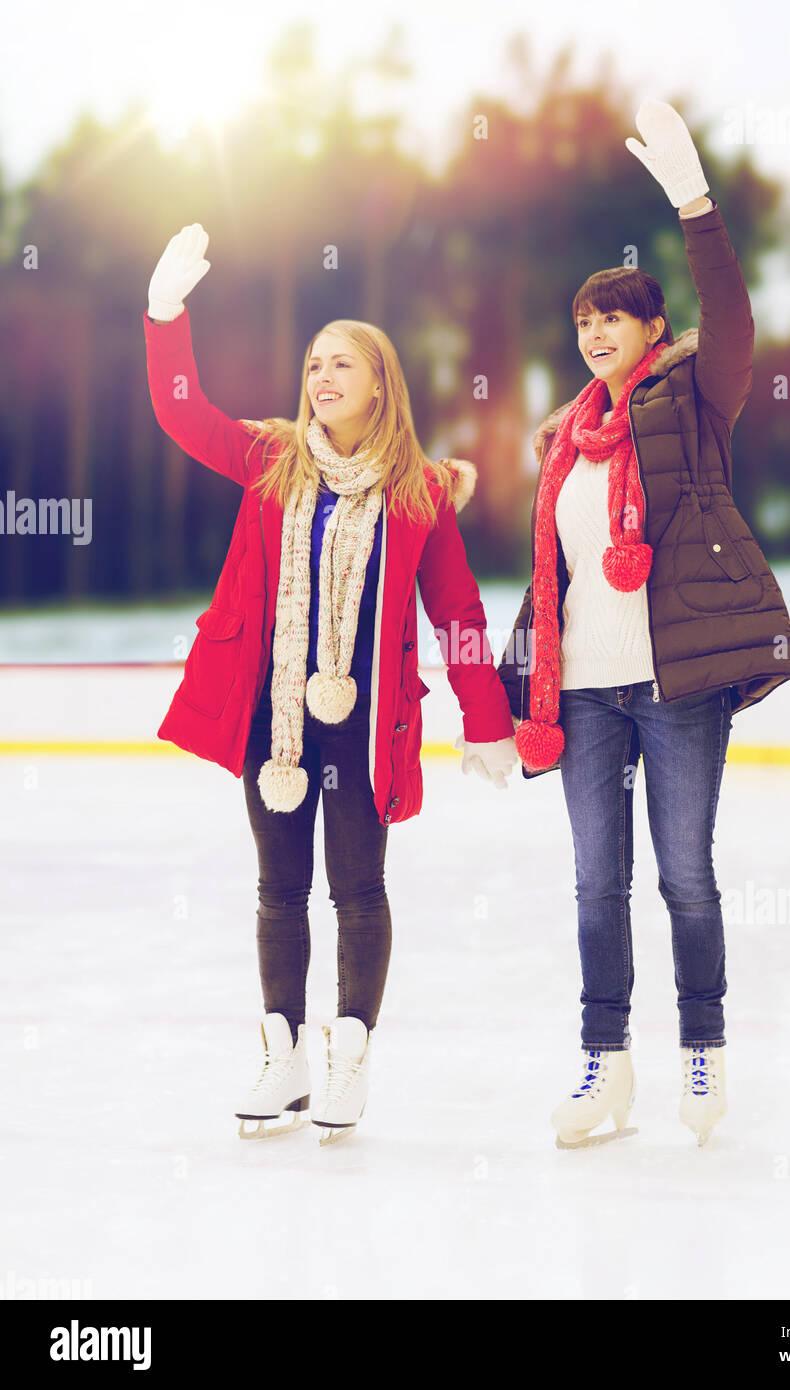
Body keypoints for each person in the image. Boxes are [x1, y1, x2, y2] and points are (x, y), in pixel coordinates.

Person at [144, 225, 518, 1143]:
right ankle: (284, 1057)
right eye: (314, 364)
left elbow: (459, 613)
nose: (321, 378)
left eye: (341, 364)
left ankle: (349, 1057)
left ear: (380, 382)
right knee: (279, 891)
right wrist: (164, 318)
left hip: (361, 727)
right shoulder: (273, 460)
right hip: (272, 721)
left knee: (357, 889)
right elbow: (185, 416)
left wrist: (487, 720)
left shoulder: (420, 492)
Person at [498, 101, 790, 1149]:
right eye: (582, 322)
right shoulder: (565, 440)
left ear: (653, 328)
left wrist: (692, 202)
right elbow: (553, 580)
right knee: (596, 883)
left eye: (612, 318)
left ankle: (702, 1044)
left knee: (683, 874)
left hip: (678, 688)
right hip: (583, 689)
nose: (593, 334)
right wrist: (508, 695)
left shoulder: (694, 397)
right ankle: (606, 1066)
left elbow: (736, 314)